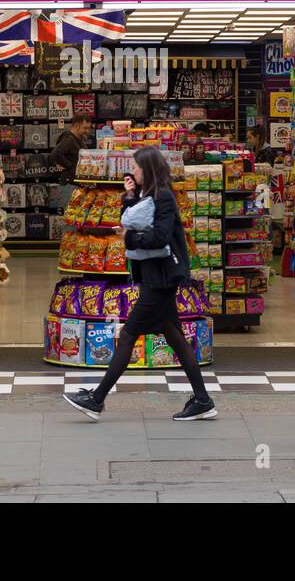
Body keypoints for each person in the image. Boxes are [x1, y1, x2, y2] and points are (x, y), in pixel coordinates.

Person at [63, 145, 217, 422]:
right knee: (176, 338)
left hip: (161, 279)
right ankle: (203, 400)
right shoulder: (149, 196)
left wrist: (128, 239)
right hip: (154, 277)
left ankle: (96, 399)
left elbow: (159, 237)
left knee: (128, 334)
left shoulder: (165, 198)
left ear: (148, 169)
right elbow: (138, 218)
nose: (132, 171)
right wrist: (130, 197)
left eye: (136, 167)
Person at [47, 113, 91, 184]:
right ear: (76, 126)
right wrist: (70, 166)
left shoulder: (77, 139)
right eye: (85, 128)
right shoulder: (69, 139)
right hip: (69, 184)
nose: (87, 131)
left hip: (75, 183)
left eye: (88, 128)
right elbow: (54, 154)